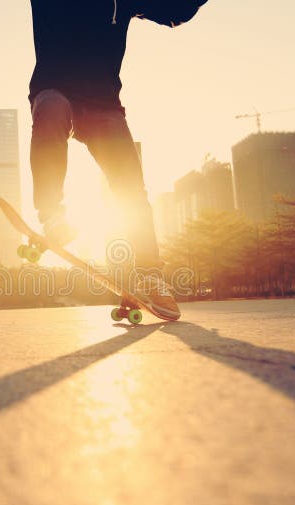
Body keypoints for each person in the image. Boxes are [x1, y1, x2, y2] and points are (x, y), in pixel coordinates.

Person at [28, 0, 208, 321]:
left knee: (132, 190)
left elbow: (175, 12)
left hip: (104, 107)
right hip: (55, 89)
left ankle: (150, 275)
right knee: (51, 110)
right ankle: (53, 215)